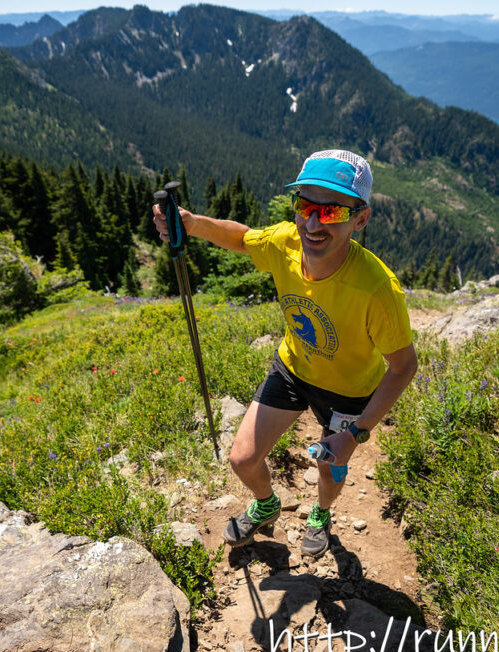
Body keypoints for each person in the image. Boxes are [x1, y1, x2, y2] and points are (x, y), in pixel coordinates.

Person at [152, 150, 418, 559]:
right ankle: (266, 504)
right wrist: (192, 224)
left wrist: (356, 434)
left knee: (330, 466)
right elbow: (242, 239)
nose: (312, 224)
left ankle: (321, 514)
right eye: (304, 206)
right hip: (293, 369)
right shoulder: (284, 243)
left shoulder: (377, 289)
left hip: (349, 392)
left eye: (330, 212)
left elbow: (403, 366)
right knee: (242, 459)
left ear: (360, 219)